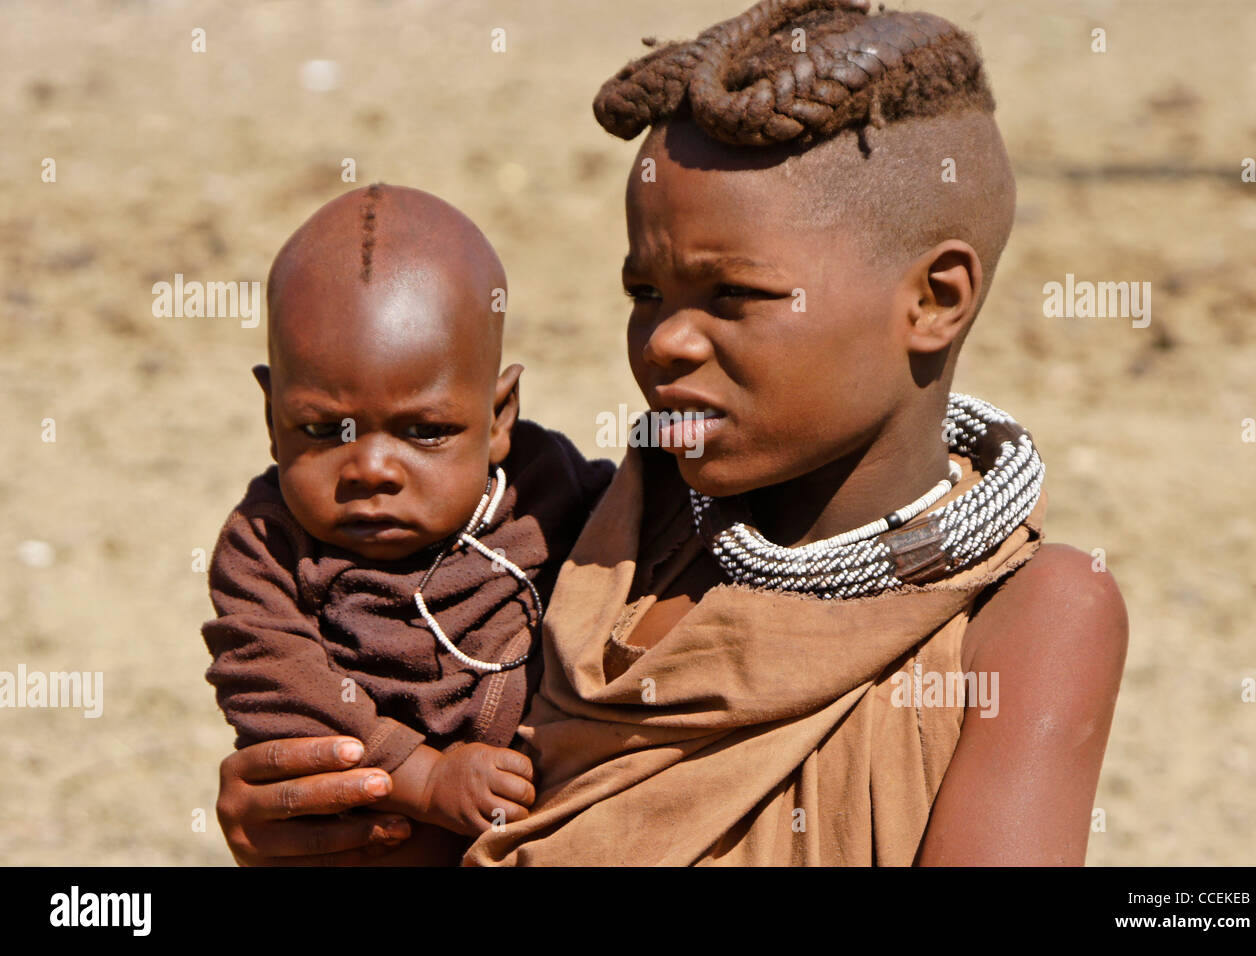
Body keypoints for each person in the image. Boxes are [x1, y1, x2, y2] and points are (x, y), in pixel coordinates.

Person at [213, 0, 1127, 866]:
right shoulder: (583, 540)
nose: (666, 340)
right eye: (644, 293)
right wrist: (329, 831)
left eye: (733, 296)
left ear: (935, 300)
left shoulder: (1026, 620)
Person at [201, 184, 613, 865]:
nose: (371, 468)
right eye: (322, 429)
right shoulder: (268, 546)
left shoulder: (553, 492)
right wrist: (422, 778)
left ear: (499, 416)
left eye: (424, 431)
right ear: (269, 416)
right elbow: (276, 687)